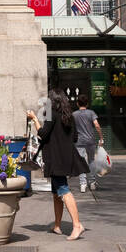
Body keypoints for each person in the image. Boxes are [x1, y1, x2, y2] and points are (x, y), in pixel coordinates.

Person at [28, 90, 89, 239]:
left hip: (55, 158)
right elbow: (74, 138)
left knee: (63, 190)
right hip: (66, 157)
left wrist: (35, 119)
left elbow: (42, 133)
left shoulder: (51, 113)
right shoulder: (69, 116)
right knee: (56, 193)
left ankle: (77, 225)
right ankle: (57, 225)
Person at [73, 95, 104, 193]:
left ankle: (83, 184)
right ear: (87, 104)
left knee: (81, 161)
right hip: (90, 141)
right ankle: (92, 182)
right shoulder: (91, 113)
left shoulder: (74, 114)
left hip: (79, 141)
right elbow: (97, 125)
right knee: (91, 161)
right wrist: (101, 137)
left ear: (77, 103)